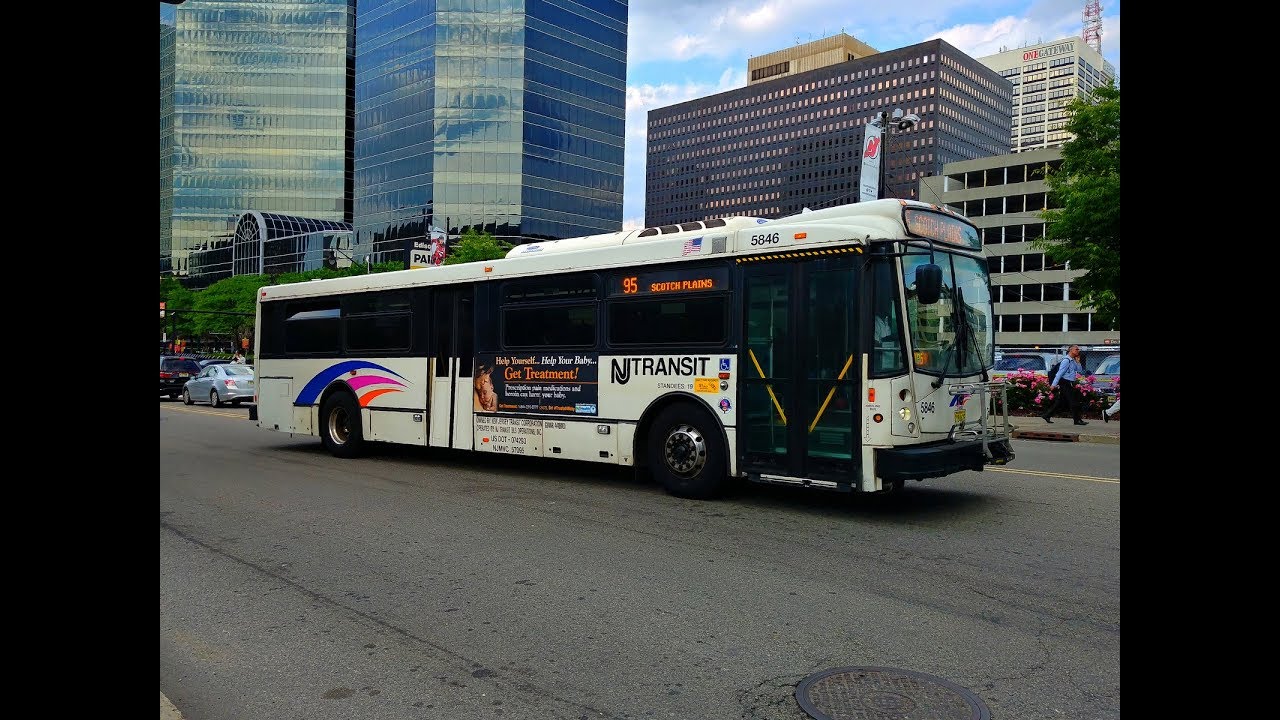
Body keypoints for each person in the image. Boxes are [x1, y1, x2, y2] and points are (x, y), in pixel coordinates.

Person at [1040, 345, 1088, 425]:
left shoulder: (1072, 360)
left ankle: (1047, 415)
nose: (1078, 351)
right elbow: (1059, 373)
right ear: (1070, 350)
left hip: (1069, 383)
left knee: (1061, 402)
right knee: (1074, 402)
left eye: (1078, 349)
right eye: (1076, 349)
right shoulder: (1066, 361)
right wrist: (1053, 385)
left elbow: (1079, 370)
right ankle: (1077, 420)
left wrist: (1078, 361)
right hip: (1065, 383)